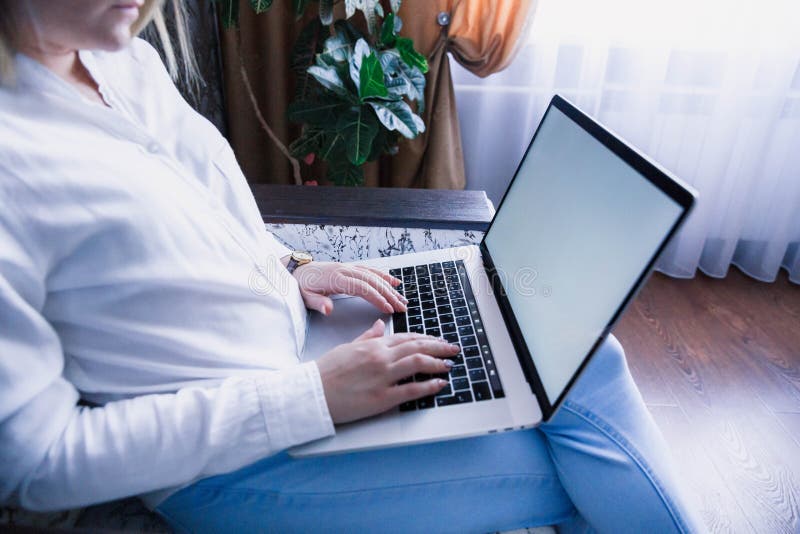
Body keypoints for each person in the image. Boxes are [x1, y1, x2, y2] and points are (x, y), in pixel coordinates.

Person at [0, 1, 703, 531]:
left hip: (308, 340)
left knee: (576, 357)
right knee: (573, 462)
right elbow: (35, 466)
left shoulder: (116, 54)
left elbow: (191, 214)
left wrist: (289, 266)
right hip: (234, 462)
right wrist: (313, 397)